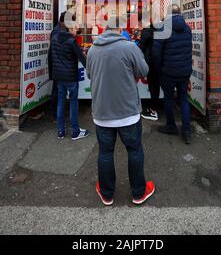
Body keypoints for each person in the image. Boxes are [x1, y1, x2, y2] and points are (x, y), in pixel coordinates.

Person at [86, 16, 155, 206]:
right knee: (134, 150)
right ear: (120, 30)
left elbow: (90, 74)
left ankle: (107, 194)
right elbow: (143, 71)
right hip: (128, 113)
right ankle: (138, 193)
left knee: (105, 153)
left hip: (102, 113)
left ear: (105, 29)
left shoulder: (92, 49)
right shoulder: (129, 47)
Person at [153, 4, 193, 145]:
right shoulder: (187, 29)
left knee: (168, 98)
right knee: (183, 99)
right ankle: (186, 131)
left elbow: (156, 54)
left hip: (168, 72)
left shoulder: (163, 28)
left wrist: (159, 71)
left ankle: (171, 126)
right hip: (184, 71)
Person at [50, 20, 90, 141]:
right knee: (73, 103)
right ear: (69, 29)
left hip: (59, 76)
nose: (76, 29)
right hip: (70, 76)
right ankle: (75, 131)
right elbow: (82, 59)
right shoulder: (71, 41)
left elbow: (51, 56)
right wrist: (91, 70)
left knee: (61, 102)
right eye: (74, 28)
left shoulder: (55, 39)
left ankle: (60, 131)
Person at [138, 24, 161, 121]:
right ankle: (154, 108)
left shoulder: (146, 31)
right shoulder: (163, 29)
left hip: (151, 63)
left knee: (154, 87)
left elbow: (140, 49)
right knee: (157, 87)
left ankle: (153, 111)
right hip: (162, 62)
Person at [48, 12, 66, 120]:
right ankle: (55, 115)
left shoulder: (60, 30)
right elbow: (58, 49)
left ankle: (58, 114)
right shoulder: (57, 32)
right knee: (57, 91)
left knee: (59, 91)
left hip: (58, 65)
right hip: (57, 65)